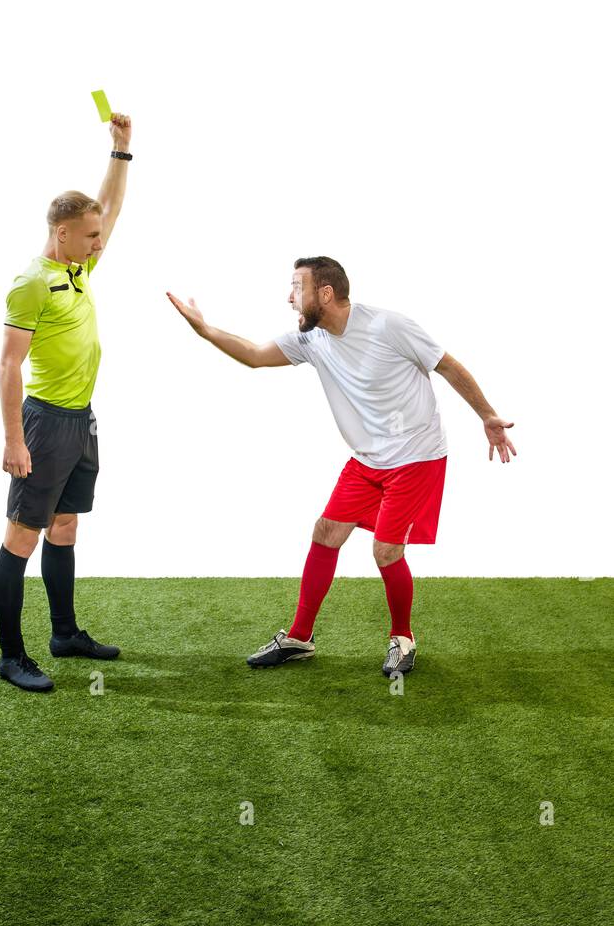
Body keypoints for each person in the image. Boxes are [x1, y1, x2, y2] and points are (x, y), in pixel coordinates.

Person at [167, 255, 516, 676]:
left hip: (415, 456)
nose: (289, 297)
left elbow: (448, 366)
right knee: (326, 531)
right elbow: (256, 355)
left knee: (386, 551)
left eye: (297, 288)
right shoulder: (311, 339)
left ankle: (403, 639)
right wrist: (205, 330)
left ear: (326, 294)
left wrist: (487, 415)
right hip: (367, 459)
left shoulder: (388, 326)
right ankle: (299, 637)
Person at [0, 113, 133, 691]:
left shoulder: (78, 270)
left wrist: (121, 152)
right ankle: (10, 657)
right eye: (91, 235)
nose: (101, 242)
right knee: (22, 535)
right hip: (45, 424)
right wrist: (14, 439)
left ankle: (64, 633)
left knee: (66, 526)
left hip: (82, 421)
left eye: (98, 235)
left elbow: (110, 206)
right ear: (62, 235)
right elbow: (8, 364)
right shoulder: (32, 281)